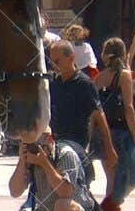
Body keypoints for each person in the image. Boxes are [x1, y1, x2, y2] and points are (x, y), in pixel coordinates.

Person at [48, 39, 115, 189]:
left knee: (78, 188)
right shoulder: (53, 84)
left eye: (57, 61)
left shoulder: (84, 84)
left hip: (77, 145)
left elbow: (99, 116)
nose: (54, 65)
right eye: (52, 61)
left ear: (71, 57)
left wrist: (109, 148)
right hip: (55, 145)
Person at [92, 38, 135, 211]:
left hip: (104, 132)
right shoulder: (125, 76)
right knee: (129, 181)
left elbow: (95, 109)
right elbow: (128, 108)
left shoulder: (98, 78)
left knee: (112, 182)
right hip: (121, 131)